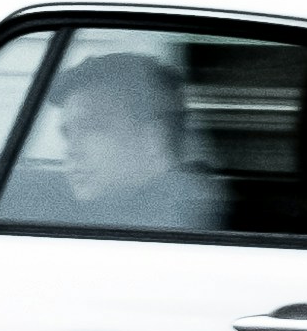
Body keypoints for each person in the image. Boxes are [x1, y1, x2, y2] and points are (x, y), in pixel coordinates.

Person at [32, 45, 215, 234]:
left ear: (153, 140)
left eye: (92, 128)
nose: (71, 151)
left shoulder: (170, 229)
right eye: (67, 134)